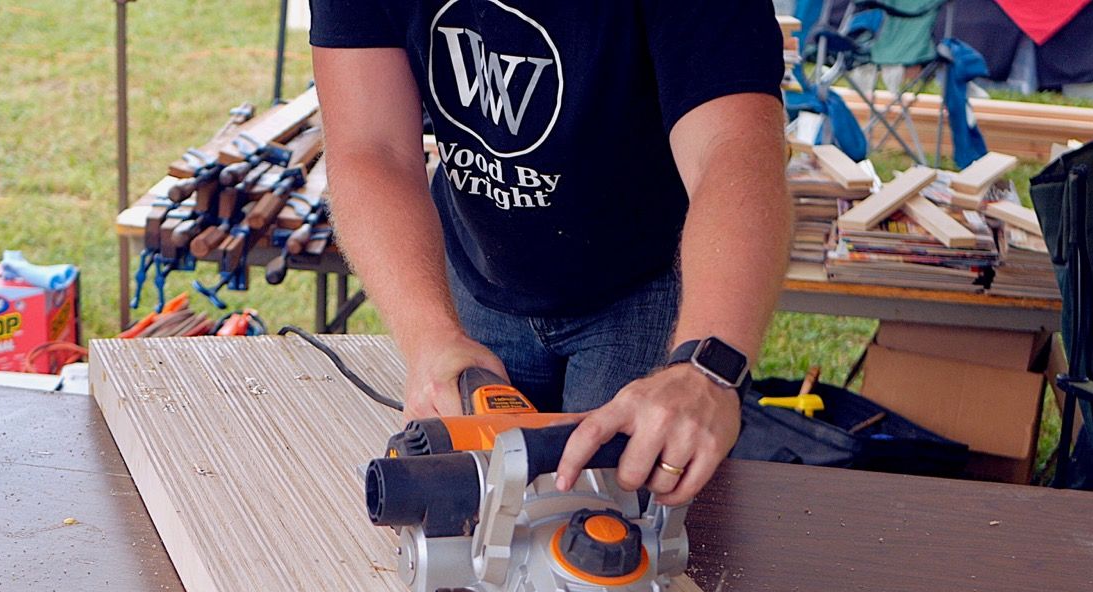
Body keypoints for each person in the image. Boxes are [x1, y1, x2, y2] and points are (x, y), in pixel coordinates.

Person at [310, 0, 792, 505]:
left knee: (623, 517)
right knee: (480, 515)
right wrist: (429, 335)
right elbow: (372, 148)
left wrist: (707, 367)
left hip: (642, 283)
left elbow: (735, 153)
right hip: (479, 271)